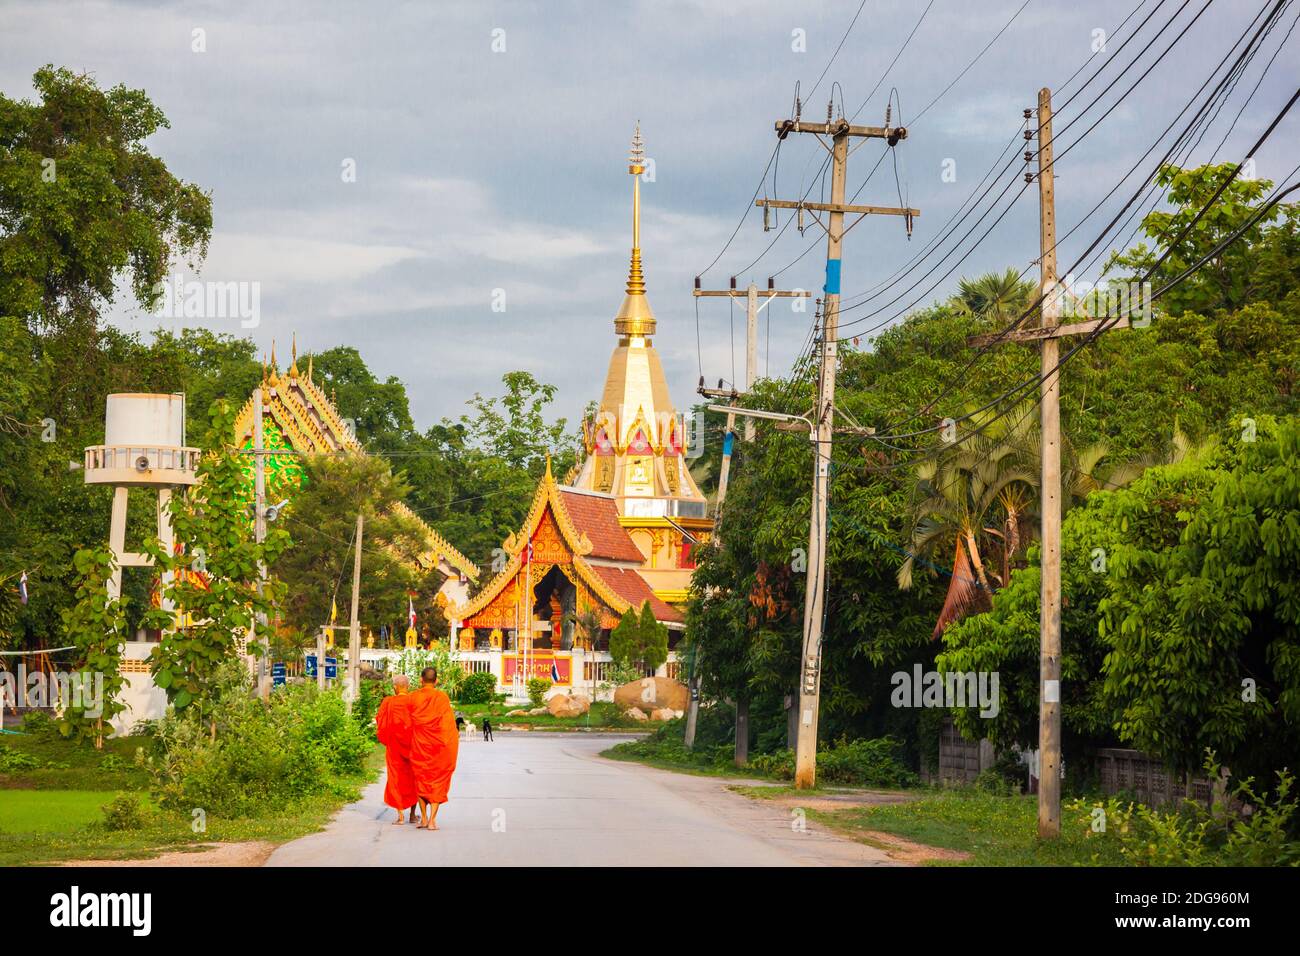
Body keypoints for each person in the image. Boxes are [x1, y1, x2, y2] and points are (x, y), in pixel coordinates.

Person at [407, 665, 459, 830]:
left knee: (421, 781)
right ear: (436, 681)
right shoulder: (442, 697)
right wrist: (450, 743)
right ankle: (432, 821)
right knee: (436, 781)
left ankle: (423, 818)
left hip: (420, 746)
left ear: (421, 680)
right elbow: (447, 725)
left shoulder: (413, 697)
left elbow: (407, 723)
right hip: (438, 748)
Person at [374, 674, 417, 825]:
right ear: (408, 686)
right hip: (412, 746)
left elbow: (380, 720)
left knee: (396, 778)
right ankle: (412, 815)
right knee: (413, 779)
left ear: (394, 687)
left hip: (394, 748)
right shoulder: (413, 701)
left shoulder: (388, 702)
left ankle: (400, 816)